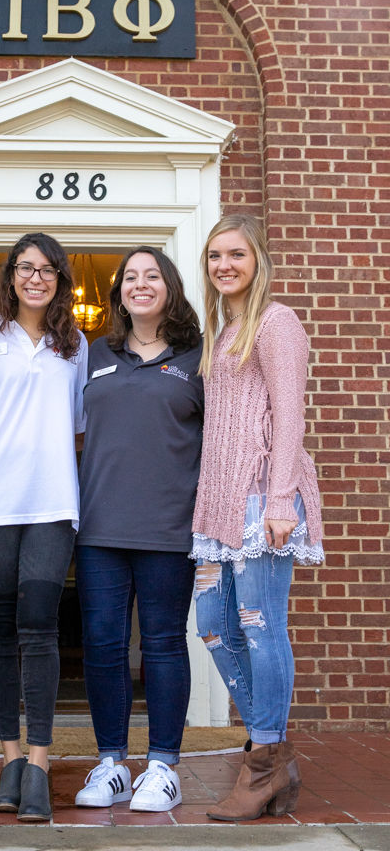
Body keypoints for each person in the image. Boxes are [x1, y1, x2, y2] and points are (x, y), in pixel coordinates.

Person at [191, 213, 323, 821]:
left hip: (260, 500)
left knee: (261, 624)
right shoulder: (227, 329)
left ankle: (264, 759)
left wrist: (278, 504)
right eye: (216, 256)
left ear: (258, 259)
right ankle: (272, 750)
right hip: (218, 505)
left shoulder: (276, 322)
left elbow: (291, 417)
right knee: (214, 625)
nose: (225, 266)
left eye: (236, 255)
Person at [0, 232, 88, 822]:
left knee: (40, 627)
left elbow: (81, 428)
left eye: (47, 270)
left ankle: (39, 759)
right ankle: (9, 754)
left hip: (53, 504)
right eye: (25, 268)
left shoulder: (76, 346)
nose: (35, 277)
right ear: (9, 276)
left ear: (61, 280)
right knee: (0, 627)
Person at [74, 247, 204, 813]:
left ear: (170, 288)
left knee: (163, 645)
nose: (141, 285)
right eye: (131, 277)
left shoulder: (198, 359)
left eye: (153, 276)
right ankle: (111, 764)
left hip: (169, 528)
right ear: (118, 292)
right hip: (100, 525)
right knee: (102, 647)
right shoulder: (95, 353)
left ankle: (163, 765)